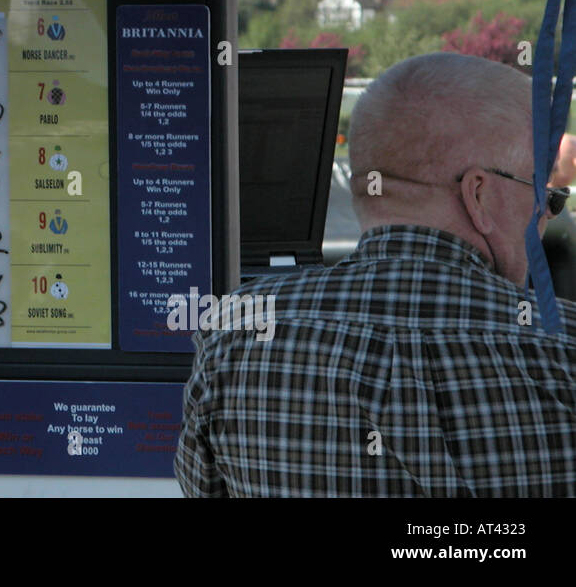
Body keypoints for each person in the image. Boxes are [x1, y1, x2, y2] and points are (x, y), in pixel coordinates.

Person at [176, 52, 576, 496]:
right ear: (477, 194)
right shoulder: (563, 351)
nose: (545, 218)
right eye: (545, 195)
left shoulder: (232, 337)